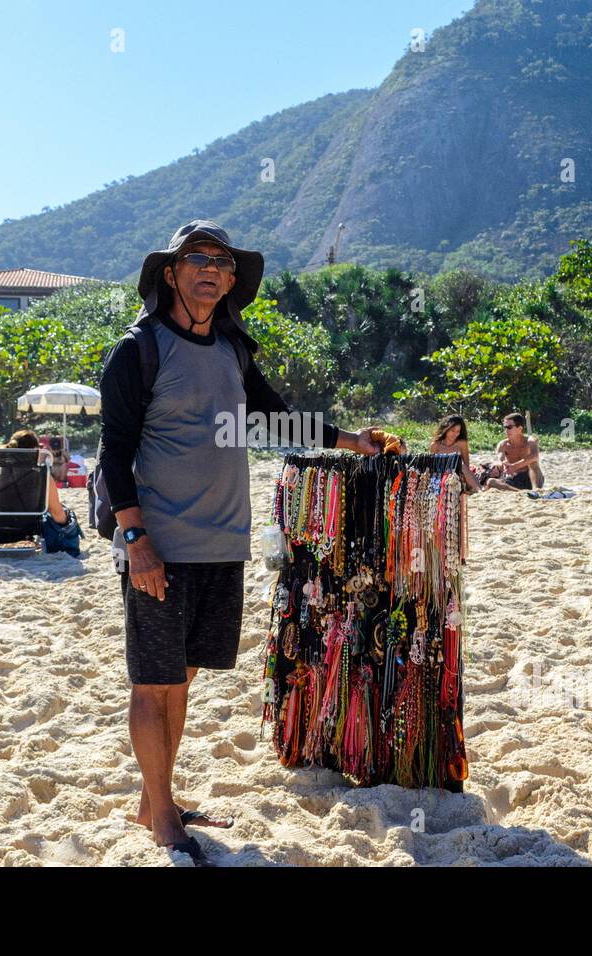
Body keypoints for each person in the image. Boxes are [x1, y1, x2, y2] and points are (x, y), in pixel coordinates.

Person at [98, 219, 383, 865]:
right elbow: (113, 451)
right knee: (153, 683)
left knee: (185, 677)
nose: (212, 270)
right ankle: (162, 816)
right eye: (197, 258)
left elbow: (279, 415)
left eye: (223, 263)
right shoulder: (138, 349)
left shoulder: (231, 349)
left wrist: (352, 443)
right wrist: (134, 536)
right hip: (158, 546)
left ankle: (155, 798)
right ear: (169, 273)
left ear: (232, 281)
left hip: (223, 541)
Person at [484, 412, 543, 491]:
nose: (506, 430)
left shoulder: (530, 441)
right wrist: (505, 465)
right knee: (491, 482)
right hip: (514, 478)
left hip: (531, 477)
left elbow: (535, 456)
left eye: (509, 427)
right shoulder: (503, 445)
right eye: (505, 427)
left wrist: (515, 466)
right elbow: (502, 460)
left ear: (520, 429)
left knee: (533, 463)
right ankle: (518, 492)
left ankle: (535, 489)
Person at [430, 415, 483, 493]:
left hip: (458, 474)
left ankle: (479, 489)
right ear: (446, 429)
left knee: (462, 466)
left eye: (458, 431)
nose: (455, 434)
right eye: (452, 430)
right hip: (441, 474)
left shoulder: (461, 443)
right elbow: (431, 465)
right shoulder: (435, 445)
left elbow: (466, 463)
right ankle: (478, 488)